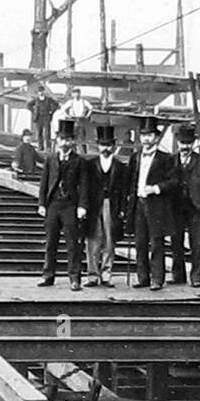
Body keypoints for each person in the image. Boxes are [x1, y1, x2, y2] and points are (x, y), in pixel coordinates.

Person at [125, 119, 178, 290]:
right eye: (144, 136)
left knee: (156, 242)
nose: (146, 139)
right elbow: (130, 181)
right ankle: (143, 278)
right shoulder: (135, 157)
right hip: (138, 204)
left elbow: (174, 181)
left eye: (150, 136)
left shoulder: (166, 158)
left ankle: (157, 279)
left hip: (156, 204)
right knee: (140, 242)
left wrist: (155, 188)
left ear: (156, 137)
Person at [37, 119, 89, 291]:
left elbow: (84, 185)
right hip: (53, 205)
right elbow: (44, 183)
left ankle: (75, 278)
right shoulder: (50, 159)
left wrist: (82, 206)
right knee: (50, 242)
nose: (65, 143)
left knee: (72, 244)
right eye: (62, 139)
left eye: (68, 140)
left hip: (70, 206)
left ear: (72, 141)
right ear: (57, 141)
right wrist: (42, 203)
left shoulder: (79, 161)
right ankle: (48, 275)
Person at [170, 124, 200, 287]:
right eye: (182, 143)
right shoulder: (171, 161)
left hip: (196, 208)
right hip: (175, 208)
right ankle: (178, 275)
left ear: (193, 143)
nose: (185, 146)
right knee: (176, 243)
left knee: (197, 244)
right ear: (178, 143)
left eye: (188, 143)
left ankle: (196, 276)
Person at [83, 125, 128, 287]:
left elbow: (124, 190)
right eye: (103, 144)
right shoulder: (89, 165)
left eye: (109, 145)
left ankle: (107, 273)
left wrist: (123, 209)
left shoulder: (120, 166)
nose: (106, 148)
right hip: (94, 206)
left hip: (112, 204)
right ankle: (92, 275)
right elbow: (85, 188)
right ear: (98, 145)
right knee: (93, 240)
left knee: (110, 240)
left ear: (114, 145)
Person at [52, 87, 94, 153]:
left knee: (82, 137)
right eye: (75, 93)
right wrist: (68, 116)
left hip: (81, 120)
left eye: (77, 93)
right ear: (73, 94)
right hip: (73, 120)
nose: (76, 95)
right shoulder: (71, 102)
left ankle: (84, 153)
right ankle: (73, 152)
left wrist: (87, 115)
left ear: (80, 94)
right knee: (73, 137)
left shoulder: (83, 101)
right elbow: (63, 109)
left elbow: (91, 108)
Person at [27, 85, 59, 152]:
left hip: (46, 117)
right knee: (39, 133)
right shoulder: (36, 100)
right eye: (39, 92)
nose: (41, 93)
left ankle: (48, 148)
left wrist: (51, 112)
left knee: (47, 133)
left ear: (44, 92)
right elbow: (28, 105)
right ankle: (40, 147)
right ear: (38, 93)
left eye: (42, 91)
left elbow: (56, 104)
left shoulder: (48, 99)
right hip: (38, 118)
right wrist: (33, 111)